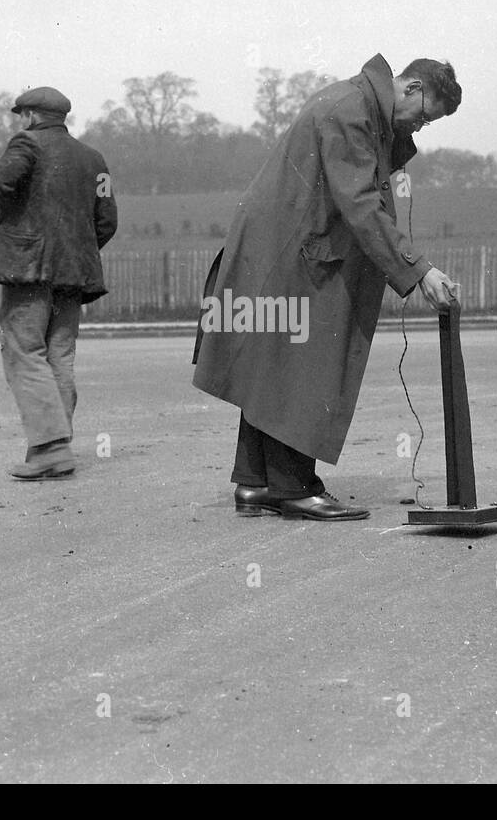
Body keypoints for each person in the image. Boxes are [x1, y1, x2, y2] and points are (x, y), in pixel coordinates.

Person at [192, 55, 460, 521]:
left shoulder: (354, 104)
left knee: (273, 363)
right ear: (412, 87)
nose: (419, 127)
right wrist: (419, 271)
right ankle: (294, 488)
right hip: (293, 253)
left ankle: (255, 482)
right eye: (422, 115)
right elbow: (359, 202)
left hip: (280, 247)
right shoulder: (352, 111)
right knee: (304, 366)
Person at [0, 87, 118, 479]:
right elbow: (107, 220)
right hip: (74, 275)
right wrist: (77, 250)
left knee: (24, 351)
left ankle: (48, 448)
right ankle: (57, 447)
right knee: (60, 354)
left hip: (28, 269)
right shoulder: (95, 159)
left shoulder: (26, 144)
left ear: (29, 117)